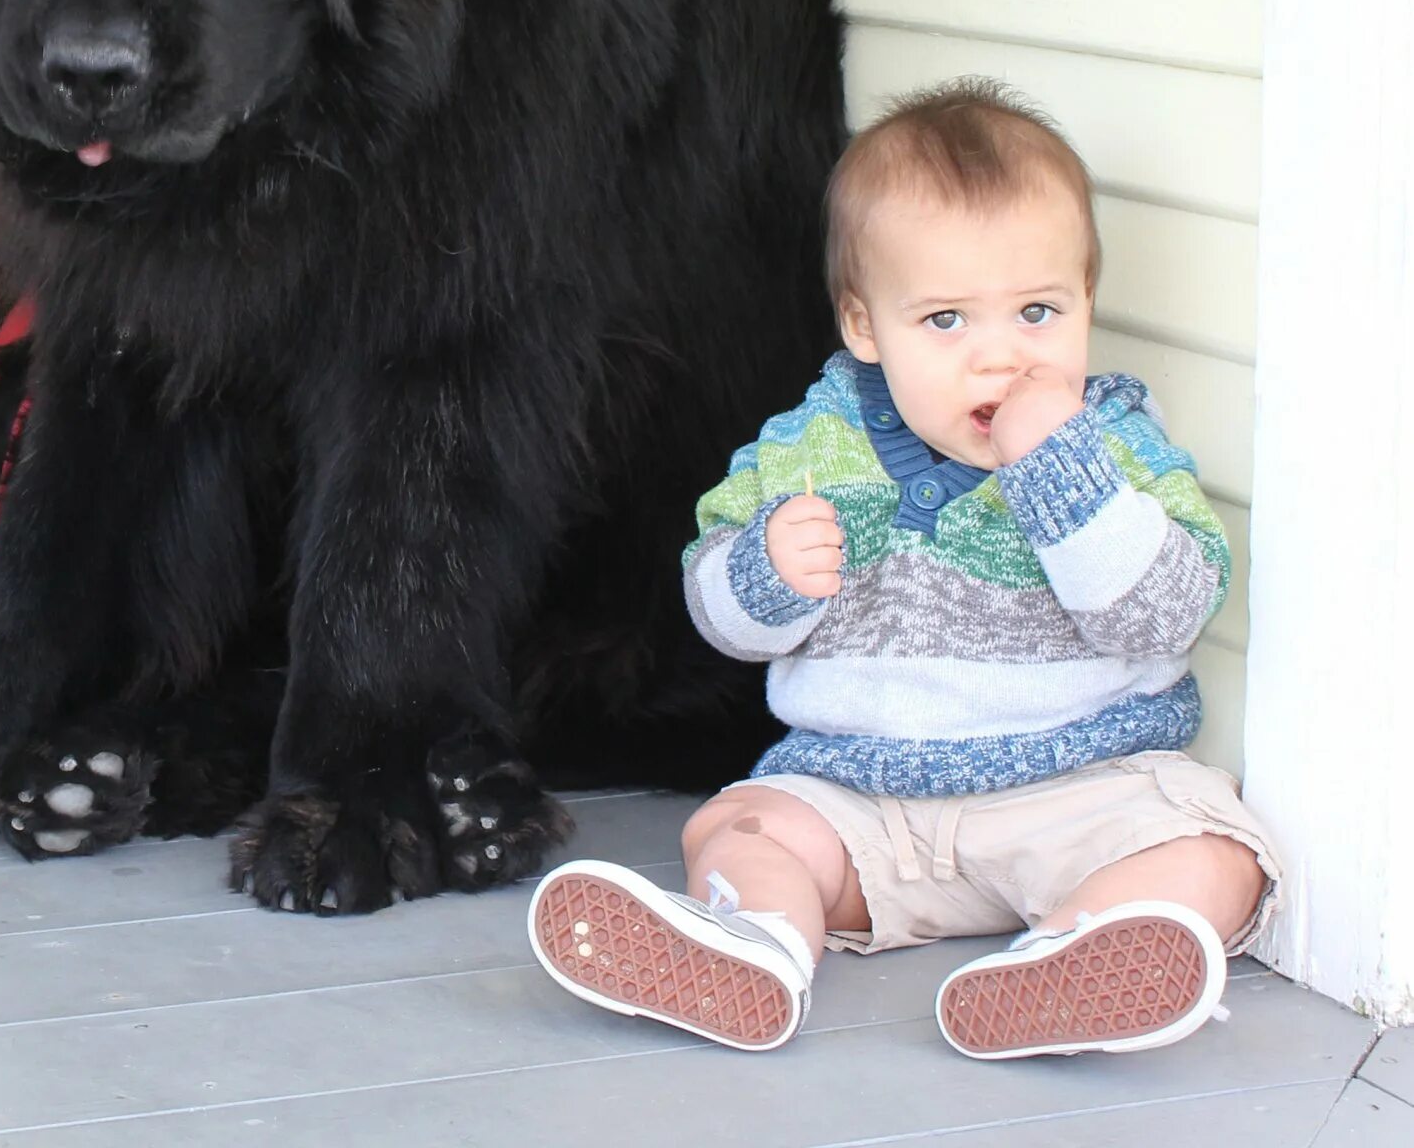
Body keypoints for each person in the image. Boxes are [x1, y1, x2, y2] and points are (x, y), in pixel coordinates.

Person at [526, 79, 1280, 1059]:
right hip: (862, 801)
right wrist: (766, 574)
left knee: (1218, 850)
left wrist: (1064, 476)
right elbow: (713, 607)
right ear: (864, 327)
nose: (999, 359)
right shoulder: (814, 448)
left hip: (1078, 787)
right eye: (945, 321)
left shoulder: (1114, 445)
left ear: (1088, 301)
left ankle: (1076, 954)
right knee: (744, 823)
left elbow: (1161, 618)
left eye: (1038, 311)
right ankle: (752, 941)